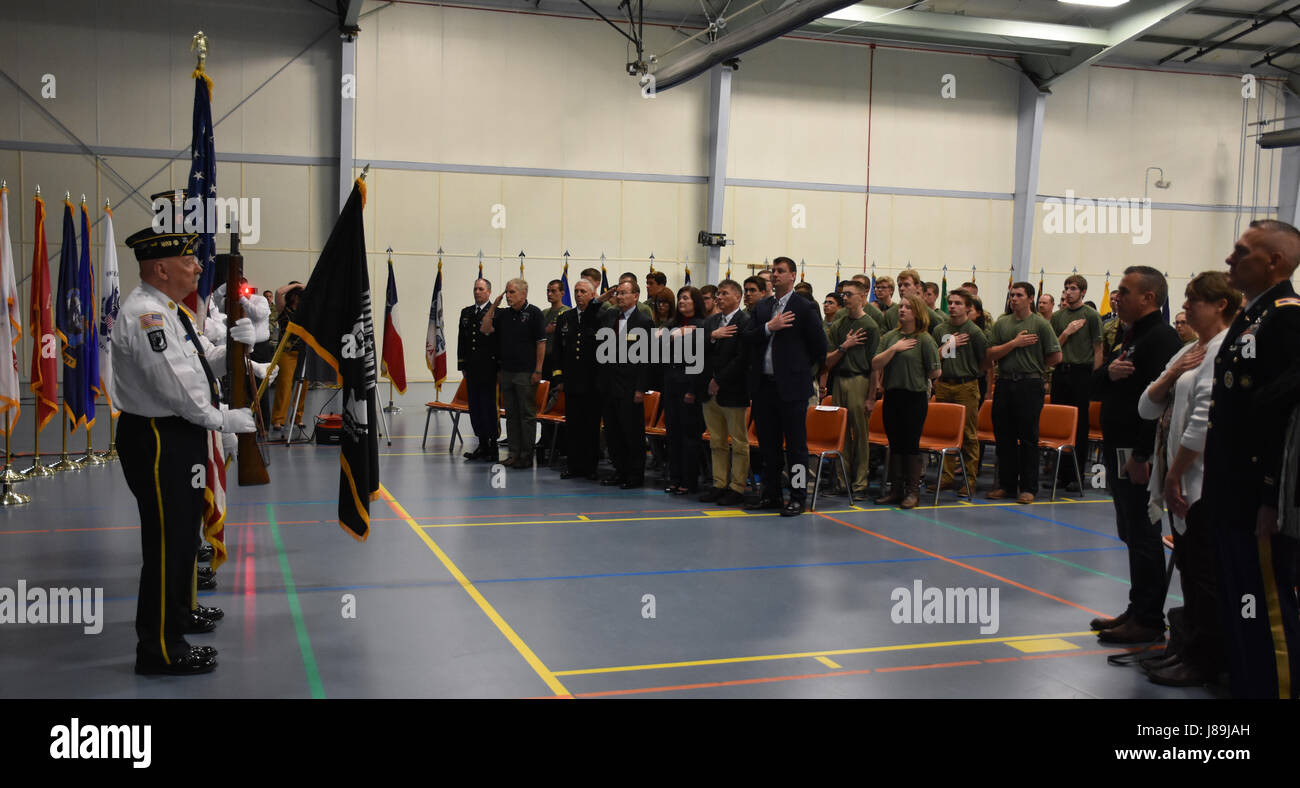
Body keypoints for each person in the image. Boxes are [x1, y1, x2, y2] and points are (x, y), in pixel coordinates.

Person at [114, 222, 257, 676]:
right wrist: (221, 419)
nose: (198, 267)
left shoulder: (169, 310)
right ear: (160, 268)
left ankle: (177, 618)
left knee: (180, 539)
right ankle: (158, 649)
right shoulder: (147, 316)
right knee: (166, 544)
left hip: (177, 433)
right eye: (187, 260)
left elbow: (192, 367)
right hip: (159, 437)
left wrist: (229, 349)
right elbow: (174, 387)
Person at [1203, 219, 1300, 697]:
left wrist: (1269, 496)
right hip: (1230, 484)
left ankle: (1276, 689)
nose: (1229, 259)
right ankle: (1248, 684)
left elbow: (1282, 420)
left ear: (1274, 262)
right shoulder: (1254, 313)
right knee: (1240, 597)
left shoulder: (1286, 316)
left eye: (1240, 252)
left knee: (1266, 603)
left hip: (1255, 493)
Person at [1136, 271, 1236, 687]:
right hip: (1174, 473)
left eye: (1195, 299)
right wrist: (1172, 375)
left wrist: (1176, 477)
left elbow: (1202, 423)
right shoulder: (1189, 351)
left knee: (1204, 575)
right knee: (1191, 574)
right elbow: (1146, 405)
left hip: (1197, 479)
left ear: (1221, 306)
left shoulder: (1222, 348)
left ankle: (1205, 659)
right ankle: (1189, 648)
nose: (1186, 307)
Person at [1090, 266, 1183, 644]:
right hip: (1118, 446)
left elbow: (1159, 402)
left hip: (1135, 451)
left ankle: (1147, 618)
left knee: (1143, 532)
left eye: (1125, 291)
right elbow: (1094, 384)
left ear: (1148, 298)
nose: (1117, 297)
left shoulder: (1161, 338)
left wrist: (1143, 455)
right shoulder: (1130, 337)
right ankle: (1138, 606)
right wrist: (1108, 374)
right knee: (1129, 530)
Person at [743, 257, 827, 516]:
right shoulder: (763, 307)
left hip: (791, 389)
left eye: (781, 271)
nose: (775, 275)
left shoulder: (803, 307)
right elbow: (748, 338)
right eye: (774, 272)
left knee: (796, 446)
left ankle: (798, 496)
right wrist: (770, 327)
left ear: (793, 276)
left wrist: (798, 370)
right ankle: (771, 495)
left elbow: (820, 348)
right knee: (768, 446)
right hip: (764, 387)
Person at [985, 282, 1061, 504]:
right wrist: (1015, 343)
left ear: (1030, 299)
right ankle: (1007, 485)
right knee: (1004, 437)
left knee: (1028, 437)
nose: (1014, 299)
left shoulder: (1040, 324)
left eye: (1019, 295)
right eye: (1011, 295)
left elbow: (1056, 357)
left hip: (1029, 384)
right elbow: (991, 354)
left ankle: (1028, 488)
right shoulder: (1002, 323)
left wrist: (1035, 365)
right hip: (1005, 383)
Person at [872, 294, 941, 508]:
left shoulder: (925, 339)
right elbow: (875, 363)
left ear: (917, 312)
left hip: (914, 397)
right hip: (892, 396)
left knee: (910, 444)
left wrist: (914, 373)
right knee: (894, 443)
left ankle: (912, 492)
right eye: (901, 306)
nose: (902, 310)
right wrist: (894, 350)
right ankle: (895, 490)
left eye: (908, 307)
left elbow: (935, 370)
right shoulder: (890, 337)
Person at [480, 278, 546, 469]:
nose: (508, 296)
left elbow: (541, 343)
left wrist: (538, 370)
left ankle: (526, 455)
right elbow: (485, 329)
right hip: (507, 371)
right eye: (507, 292)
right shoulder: (503, 314)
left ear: (523, 294)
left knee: (527, 415)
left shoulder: (534, 313)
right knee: (511, 415)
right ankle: (513, 453)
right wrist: (494, 306)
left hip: (526, 372)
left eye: (512, 292)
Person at [1047, 274, 1103, 493]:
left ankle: (1075, 475)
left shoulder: (1091, 316)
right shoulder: (1058, 317)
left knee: (1079, 427)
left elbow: (1098, 349)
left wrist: (1095, 378)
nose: (1068, 292)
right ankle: (1060, 474)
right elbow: (1053, 347)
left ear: (1083, 292)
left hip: (1082, 373)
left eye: (1073, 288)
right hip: (1061, 371)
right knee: (1059, 424)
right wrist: (1067, 333)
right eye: (1066, 288)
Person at [825, 280, 880, 499]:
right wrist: (844, 346)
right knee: (842, 434)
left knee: (860, 434)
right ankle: (842, 480)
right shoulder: (839, 323)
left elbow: (875, 364)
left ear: (862, 296)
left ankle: (860, 483)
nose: (845, 298)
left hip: (860, 379)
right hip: (840, 379)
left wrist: (871, 396)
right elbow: (828, 360)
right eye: (843, 294)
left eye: (849, 294)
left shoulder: (870, 325)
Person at [699, 280, 750, 506]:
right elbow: (699, 348)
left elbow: (742, 358)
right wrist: (713, 336)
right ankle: (719, 483)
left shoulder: (745, 322)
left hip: (733, 390)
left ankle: (737, 486)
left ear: (737, 297)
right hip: (710, 392)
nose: (719, 297)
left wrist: (719, 380)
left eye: (724, 293)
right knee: (716, 441)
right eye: (717, 293)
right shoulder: (711, 322)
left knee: (738, 442)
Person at [931, 288, 987, 496]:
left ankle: (969, 479)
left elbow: (984, 361)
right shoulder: (940, 329)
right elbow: (934, 358)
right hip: (944, 383)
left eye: (958, 303)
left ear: (968, 308)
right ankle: (946, 477)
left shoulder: (974, 332)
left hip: (966, 385)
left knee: (969, 434)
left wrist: (969, 375)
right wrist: (948, 346)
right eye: (951, 303)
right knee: (945, 432)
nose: (953, 307)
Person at [599, 280, 653, 488]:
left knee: (631, 432)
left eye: (624, 293)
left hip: (630, 386)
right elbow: (589, 317)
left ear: (636, 296)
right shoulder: (610, 316)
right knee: (613, 431)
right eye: (618, 293)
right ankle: (619, 470)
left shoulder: (644, 321)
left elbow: (647, 359)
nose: (619, 297)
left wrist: (641, 388)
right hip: (609, 384)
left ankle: (634, 475)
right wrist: (600, 299)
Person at [552, 278, 603, 480]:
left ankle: (590, 467)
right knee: (573, 427)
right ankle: (574, 466)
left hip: (592, 383)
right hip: (572, 382)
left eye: (583, 291)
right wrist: (559, 378)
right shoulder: (565, 317)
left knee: (590, 428)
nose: (579, 295)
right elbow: (557, 352)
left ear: (592, 295)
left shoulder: (599, 317)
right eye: (576, 291)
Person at [663, 286, 707, 495]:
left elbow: (700, 362)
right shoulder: (672, 325)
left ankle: (689, 481)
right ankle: (675, 477)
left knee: (690, 437)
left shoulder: (702, 325)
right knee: (673, 435)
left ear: (695, 302)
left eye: (686, 298)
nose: (682, 301)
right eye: (680, 298)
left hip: (689, 387)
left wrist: (693, 390)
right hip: (671, 385)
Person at [458, 278, 500, 461]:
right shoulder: (466, 312)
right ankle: (481, 444)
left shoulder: (496, 313)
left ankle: (493, 446)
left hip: (489, 369)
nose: (477, 292)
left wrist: (499, 367)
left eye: (481, 289)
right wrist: (462, 365)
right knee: (475, 408)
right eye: (475, 289)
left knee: (489, 407)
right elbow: (462, 341)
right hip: (472, 369)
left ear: (489, 292)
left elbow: (499, 342)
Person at [271, 281, 307, 434]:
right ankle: (278, 420)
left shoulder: (305, 310)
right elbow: (279, 292)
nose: (300, 298)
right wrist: (296, 284)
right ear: (293, 296)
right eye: (298, 295)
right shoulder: (283, 309)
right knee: (285, 386)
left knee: (303, 386)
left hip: (303, 352)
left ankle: (298, 418)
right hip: (287, 352)